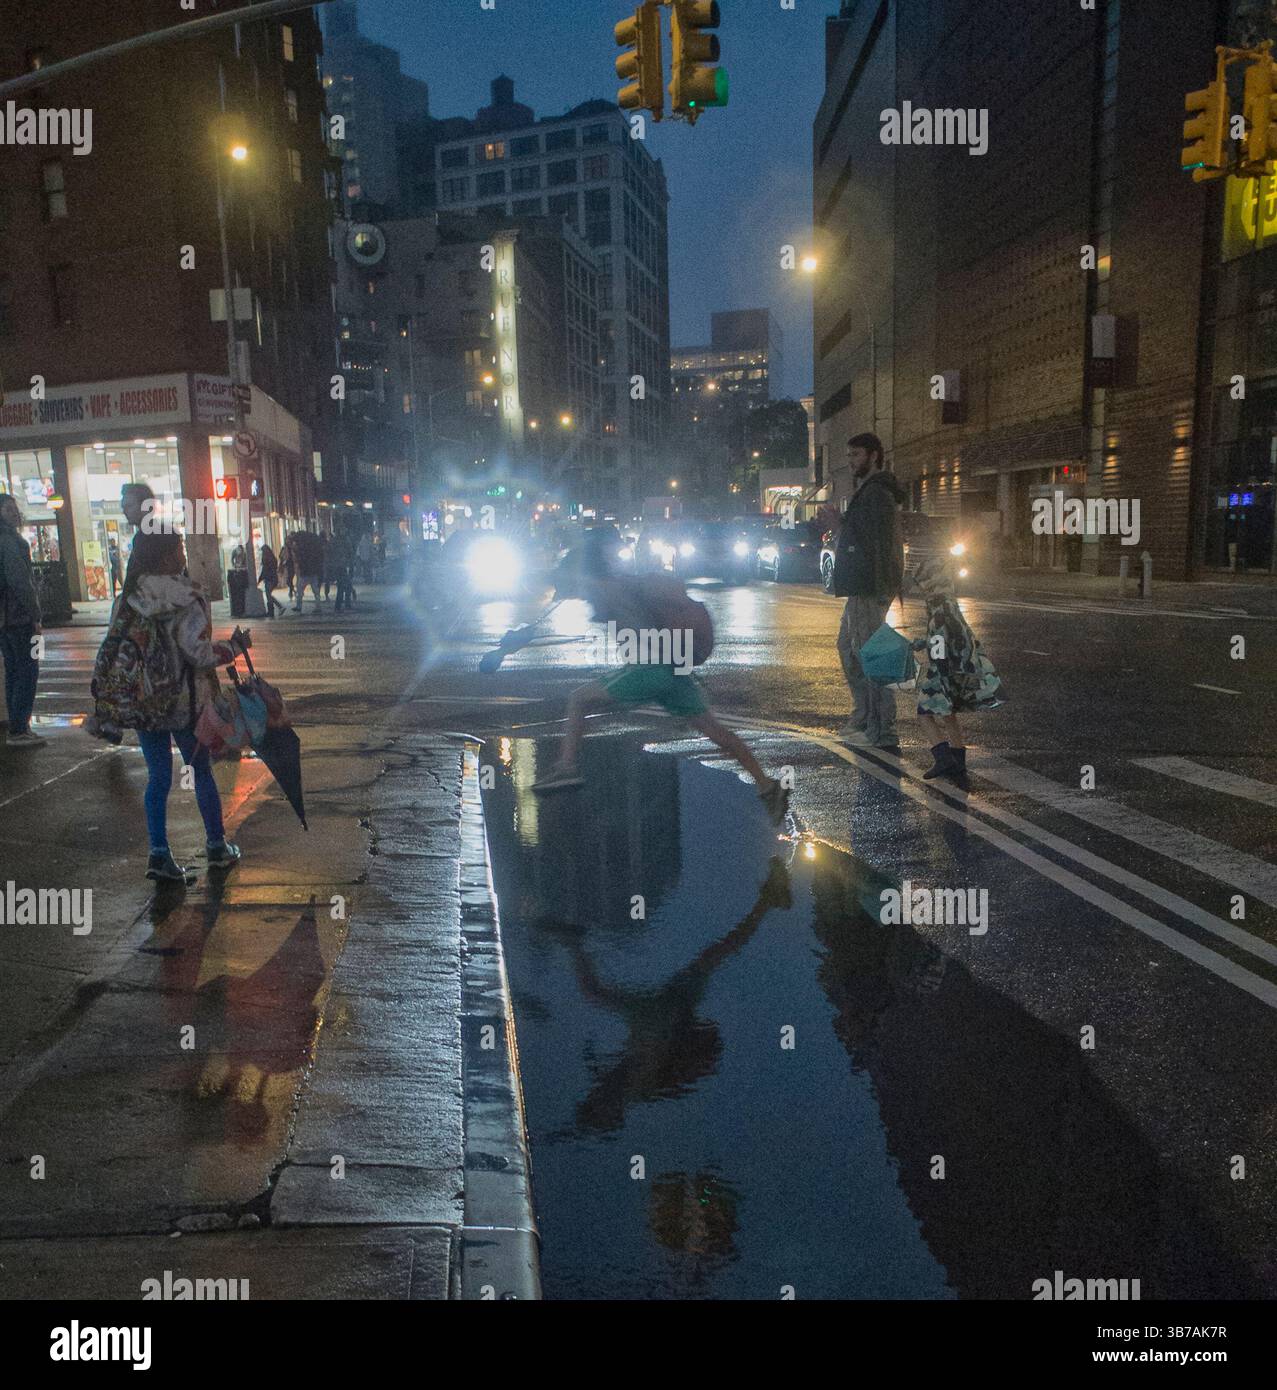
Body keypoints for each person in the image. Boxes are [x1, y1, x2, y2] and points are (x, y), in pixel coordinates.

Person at [529, 534, 791, 825]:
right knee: (715, 731)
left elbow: (599, 606)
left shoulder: (604, 588)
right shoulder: (626, 583)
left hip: (647, 669)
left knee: (579, 699)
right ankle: (766, 785)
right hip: (673, 669)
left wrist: (570, 588)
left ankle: (567, 767)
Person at [92, 531, 242, 881]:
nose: (183, 555)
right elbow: (198, 652)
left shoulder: (128, 599)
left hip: (144, 702)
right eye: (179, 550)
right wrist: (232, 648)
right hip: (183, 703)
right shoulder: (187, 597)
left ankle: (159, 853)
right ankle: (217, 847)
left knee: (157, 776)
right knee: (201, 770)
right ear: (165, 558)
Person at [831, 432, 906, 749]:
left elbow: (878, 545)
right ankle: (864, 717)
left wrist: (882, 590)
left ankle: (881, 728)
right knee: (848, 648)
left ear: (874, 456)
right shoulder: (869, 491)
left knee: (871, 654)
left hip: (869, 586)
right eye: (849, 455)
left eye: (857, 455)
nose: (851, 462)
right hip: (861, 586)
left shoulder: (877, 493)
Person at [908, 552, 1004, 784]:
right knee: (948, 713)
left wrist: (936, 665)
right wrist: (924, 642)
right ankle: (958, 760)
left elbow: (940, 637)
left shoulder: (938, 605)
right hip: (957, 666)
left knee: (924, 714)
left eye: (922, 581)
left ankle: (943, 758)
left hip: (943, 670)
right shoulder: (949, 602)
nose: (920, 587)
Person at [0, 493, 45, 749]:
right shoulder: (11, 542)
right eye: (8, 509)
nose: (14, 513)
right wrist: (36, 614)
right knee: (28, 670)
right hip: (19, 618)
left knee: (14, 670)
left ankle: (17, 725)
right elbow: (20, 582)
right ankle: (19, 728)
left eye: (14, 508)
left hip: (4, 621)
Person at [120, 481, 156, 585]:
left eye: (129, 506)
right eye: (123, 507)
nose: (124, 511)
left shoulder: (151, 539)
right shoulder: (144, 536)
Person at [289, 531, 324, 611]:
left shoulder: (302, 550)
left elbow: (300, 559)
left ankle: (299, 606)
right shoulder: (312, 549)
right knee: (316, 591)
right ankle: (318, 606)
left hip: (305, 573)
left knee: (300, 591)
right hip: (313, 572)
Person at [327, 527, 355, 612]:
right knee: (344, 586)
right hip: (341, 566)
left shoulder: (333, 541)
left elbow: (329, 553)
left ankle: (343, 605)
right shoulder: (344, 541)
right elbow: (350, 552)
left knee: (343, 586)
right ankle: (341, 606)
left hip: (338, 566)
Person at [259, 542, 281, 618]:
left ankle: (275, 609)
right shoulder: (272, 559)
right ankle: (273, 610)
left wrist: (259, 579)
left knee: (268, 595)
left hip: (269, 579)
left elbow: (264, 571)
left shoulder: (266, 560)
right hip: (273, 578)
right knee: (268, 595)